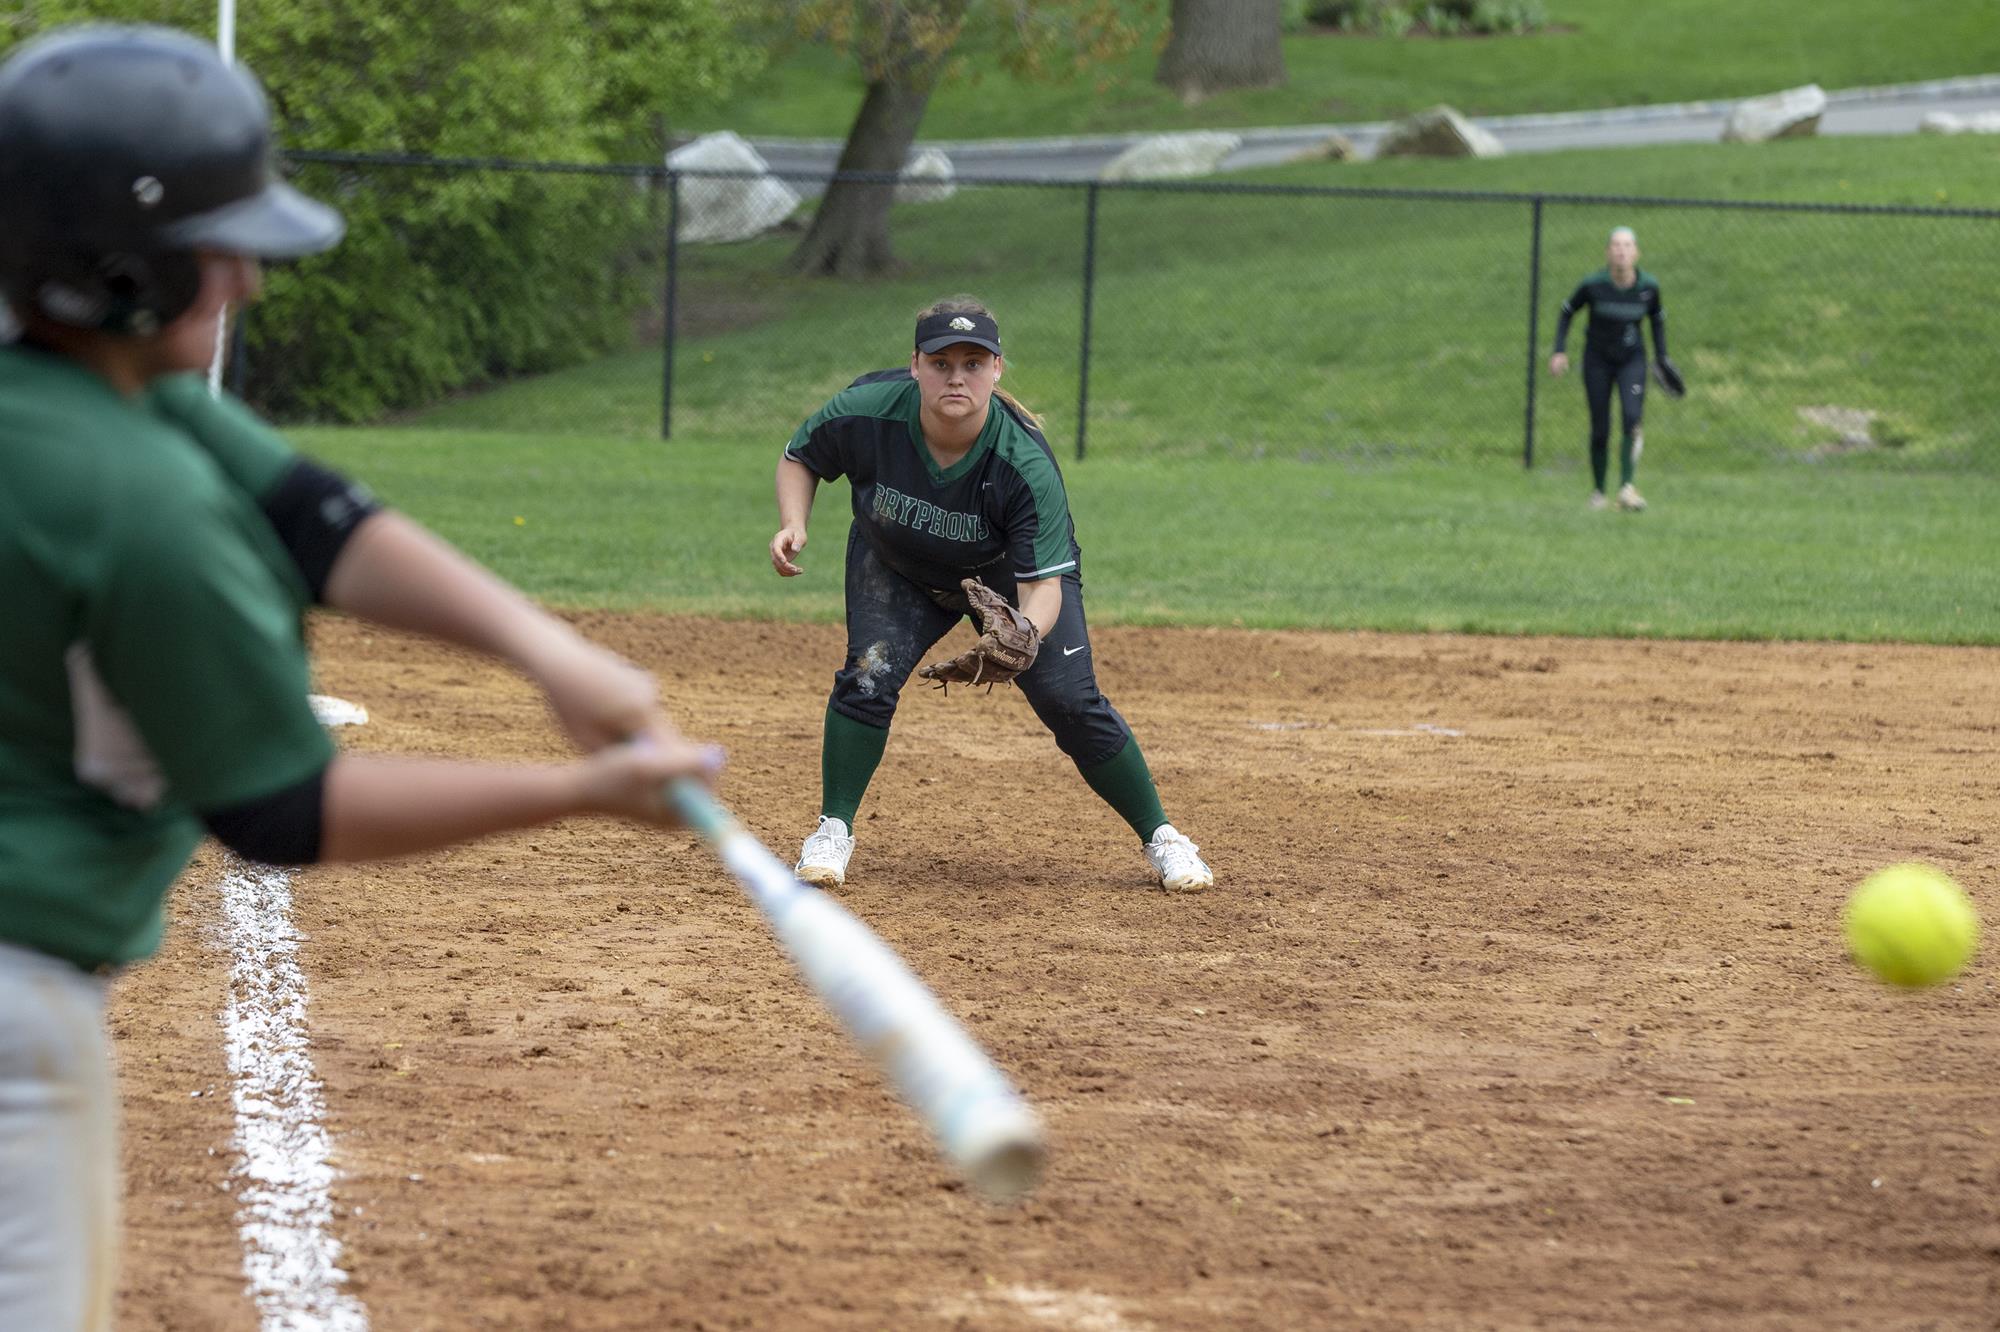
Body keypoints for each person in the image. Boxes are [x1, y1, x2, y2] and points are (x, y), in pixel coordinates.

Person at [0, 26, 719, 1328]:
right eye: (216, 252)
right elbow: (280, 807)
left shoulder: (82, 390)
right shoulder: (141, 506)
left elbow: (312, 513)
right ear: (121, 270)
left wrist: (549, 650)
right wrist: (579, 793)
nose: (248, 284)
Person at [767, 297, 1214, 894]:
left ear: (997, 369)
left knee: (1069, 701)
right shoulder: (867, 410)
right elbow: (800, 457)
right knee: (868, 675)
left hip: (1004, 580)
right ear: (915, 365)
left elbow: (1043, 586)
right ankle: (833, 830)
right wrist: (793, 522)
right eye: (941, 362)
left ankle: (1164, 837)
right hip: (896, 564)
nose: (957, 377)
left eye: (973, 363)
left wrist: (1023, 634)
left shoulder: (1023, 462)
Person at [1548, 227, 1668, 512]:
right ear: (1607, 253)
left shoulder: (1648, 287)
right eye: (1615, 245)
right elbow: (1567, 312)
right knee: (1600, 426)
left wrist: (1662, 358)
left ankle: (1627, 488)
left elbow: (1657, 319)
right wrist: (1559, 350)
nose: (1621, 251)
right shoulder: (1593, 285)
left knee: (1632, 418)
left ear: (1636, 253)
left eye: (1627, 246)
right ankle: (1599, 492)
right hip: (1597, 361)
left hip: (1632, 361)